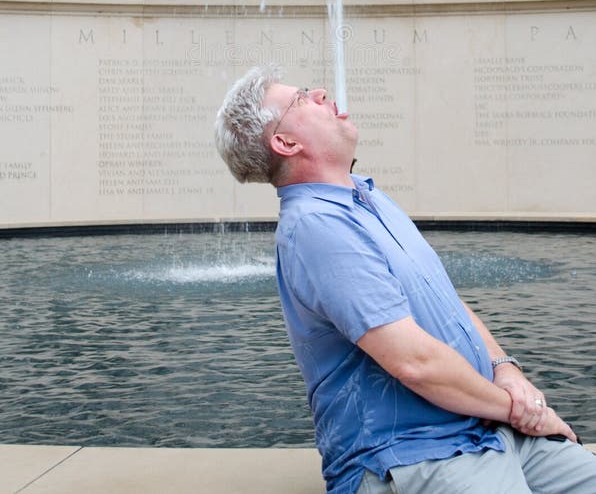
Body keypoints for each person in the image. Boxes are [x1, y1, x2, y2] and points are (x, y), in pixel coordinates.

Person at [214, 66, 596, 494]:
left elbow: (447, 302)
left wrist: (506, 371)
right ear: (286, 142)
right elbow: (415, 362)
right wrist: (524, 411)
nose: (320, 92)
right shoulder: (316, 226)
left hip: (484, 427)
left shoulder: (365, 195)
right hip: (412, 453)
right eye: (301, 98)